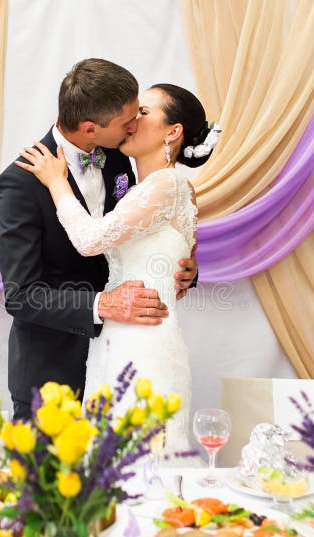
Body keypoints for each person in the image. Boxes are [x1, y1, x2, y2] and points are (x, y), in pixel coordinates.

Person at [16, 83, 214, 450]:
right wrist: (186, 269)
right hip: (105, 341)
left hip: (144, 342)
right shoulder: (137, 180)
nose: (133, 121)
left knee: (141, 457)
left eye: (144, 112)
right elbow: (165, 249)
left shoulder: (167, 184)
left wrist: (58, 184)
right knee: (107, 462)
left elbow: (91, 241)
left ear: (173, 132)